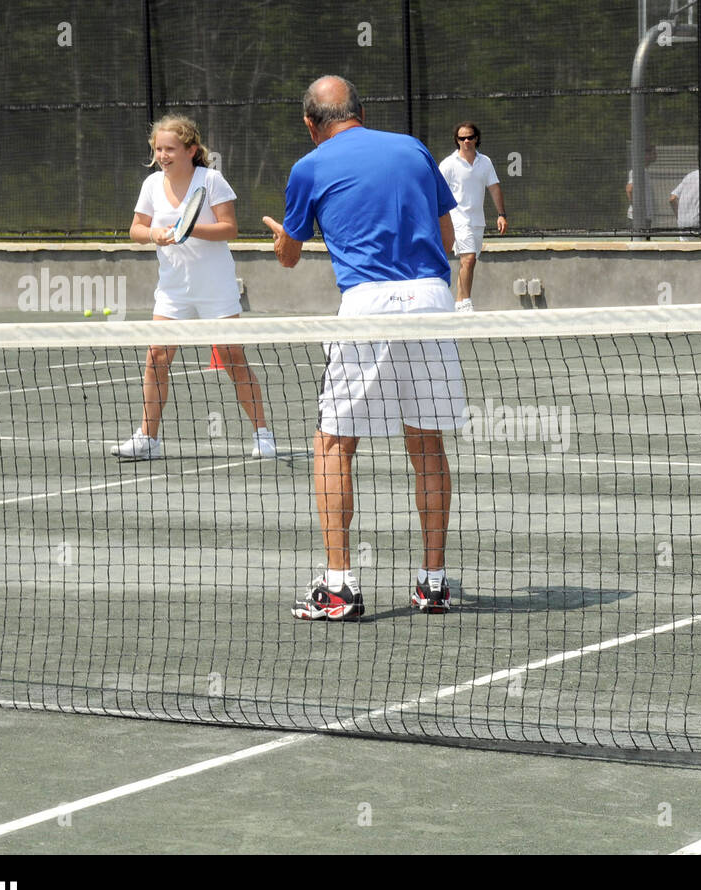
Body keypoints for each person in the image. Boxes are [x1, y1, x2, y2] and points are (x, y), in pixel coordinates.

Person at [262, 75, 464, 620]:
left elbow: (289, 257)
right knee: (426, 442)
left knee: (333, 444)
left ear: (310, 124)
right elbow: (447, 241)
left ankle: (340, 586)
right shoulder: (415, 149)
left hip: (367, 307)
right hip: (432, 299)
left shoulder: (308, 168)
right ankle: (434, 583)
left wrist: (283, 239)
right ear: (362, 110)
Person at [113, 114, 275, 461]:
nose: (163, 155)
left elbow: (230, 228)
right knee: (156, 357)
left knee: (233, 358)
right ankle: (148, 439)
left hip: (215, 287)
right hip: (173, 290)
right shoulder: (152, 185)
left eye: (170, 148)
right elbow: (136, 229)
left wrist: (191, 230)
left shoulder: (211, 180)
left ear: (191, 150)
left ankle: (263, 435)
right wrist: (153, 234)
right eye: (158, 149)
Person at [439, 121, 507, 312]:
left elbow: (494, 188)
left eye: (470, 137)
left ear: (476, 139)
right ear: (457, 141)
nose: (466, 141)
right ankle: (466, 301)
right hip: (457, 221)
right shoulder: (448, 165)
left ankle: (460, 302)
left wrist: (501, 215)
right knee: (467, 259)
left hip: (478, 221)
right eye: (462, 138)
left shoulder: (485, 162)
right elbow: (437, 191)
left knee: (469, 261)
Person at [626, 143, 658, 229]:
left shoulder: (644, 171)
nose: (656, 155)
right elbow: (629, 189)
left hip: (645, 217)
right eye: (654, 153)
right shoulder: (638, 171)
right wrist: (636, 209)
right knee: (639, 241)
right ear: (646, 155)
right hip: (639, 219)